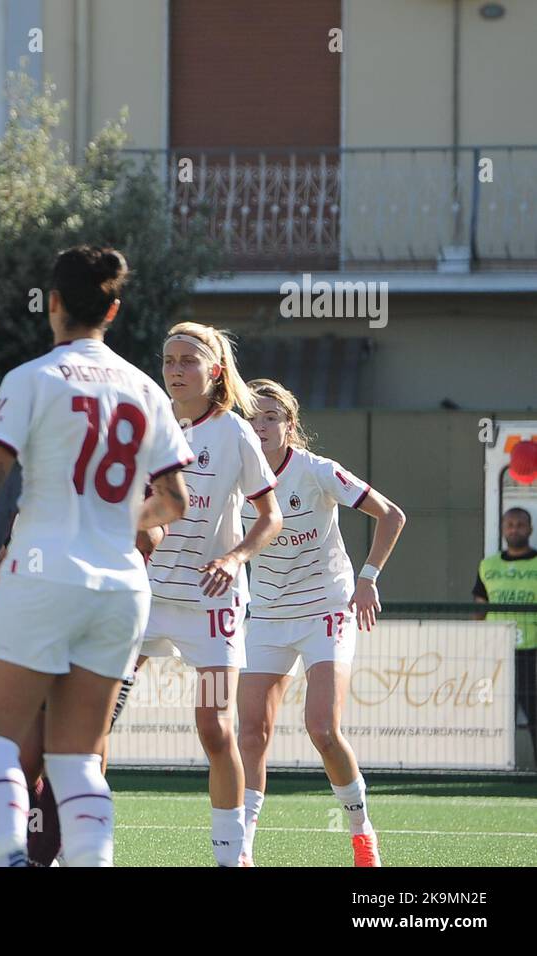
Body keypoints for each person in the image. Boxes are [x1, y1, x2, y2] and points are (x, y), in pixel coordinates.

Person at [0, 246, 191, 867]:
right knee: (79, 758)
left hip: (45, 573)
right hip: (122, 588)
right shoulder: (144, 388)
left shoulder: (33, 377)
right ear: (113, 308)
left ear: (52, 303)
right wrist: (110, 523)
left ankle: (8, 859)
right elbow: (175, 501)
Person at [123, 321, 283, 867]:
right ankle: (78, 848)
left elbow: (270, 516)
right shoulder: (149, 423)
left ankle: (230, 856)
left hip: (213, 604)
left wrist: (235, 557)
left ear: (214, 370)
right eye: (168, 359)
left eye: (187, 360)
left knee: (216, 729)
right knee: (95, 719)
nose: (174, 370)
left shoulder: (235, 433)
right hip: (142, 597)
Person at [236, 379, 405, 867]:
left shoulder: (316, 471)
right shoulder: (235, 476)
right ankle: (243, 846)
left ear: (290, 424)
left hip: (326, 609)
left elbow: (391, 516)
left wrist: (368, 579)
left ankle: (360, 831)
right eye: (252, 417)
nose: (261, 426)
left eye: (271, 417)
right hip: (266, 613)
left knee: (322, 730)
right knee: (250, 733)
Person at [473, 506, 537, 764]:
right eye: (510, 524)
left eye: (520, 524)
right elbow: (479, 606)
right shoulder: (488, 565)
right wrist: (478, 647)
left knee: (534, 713)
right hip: (498, 652)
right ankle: (494, 767)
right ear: (502, 529)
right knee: (496, 713)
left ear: (530, 529)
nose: (514, 529)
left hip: (532, 651)